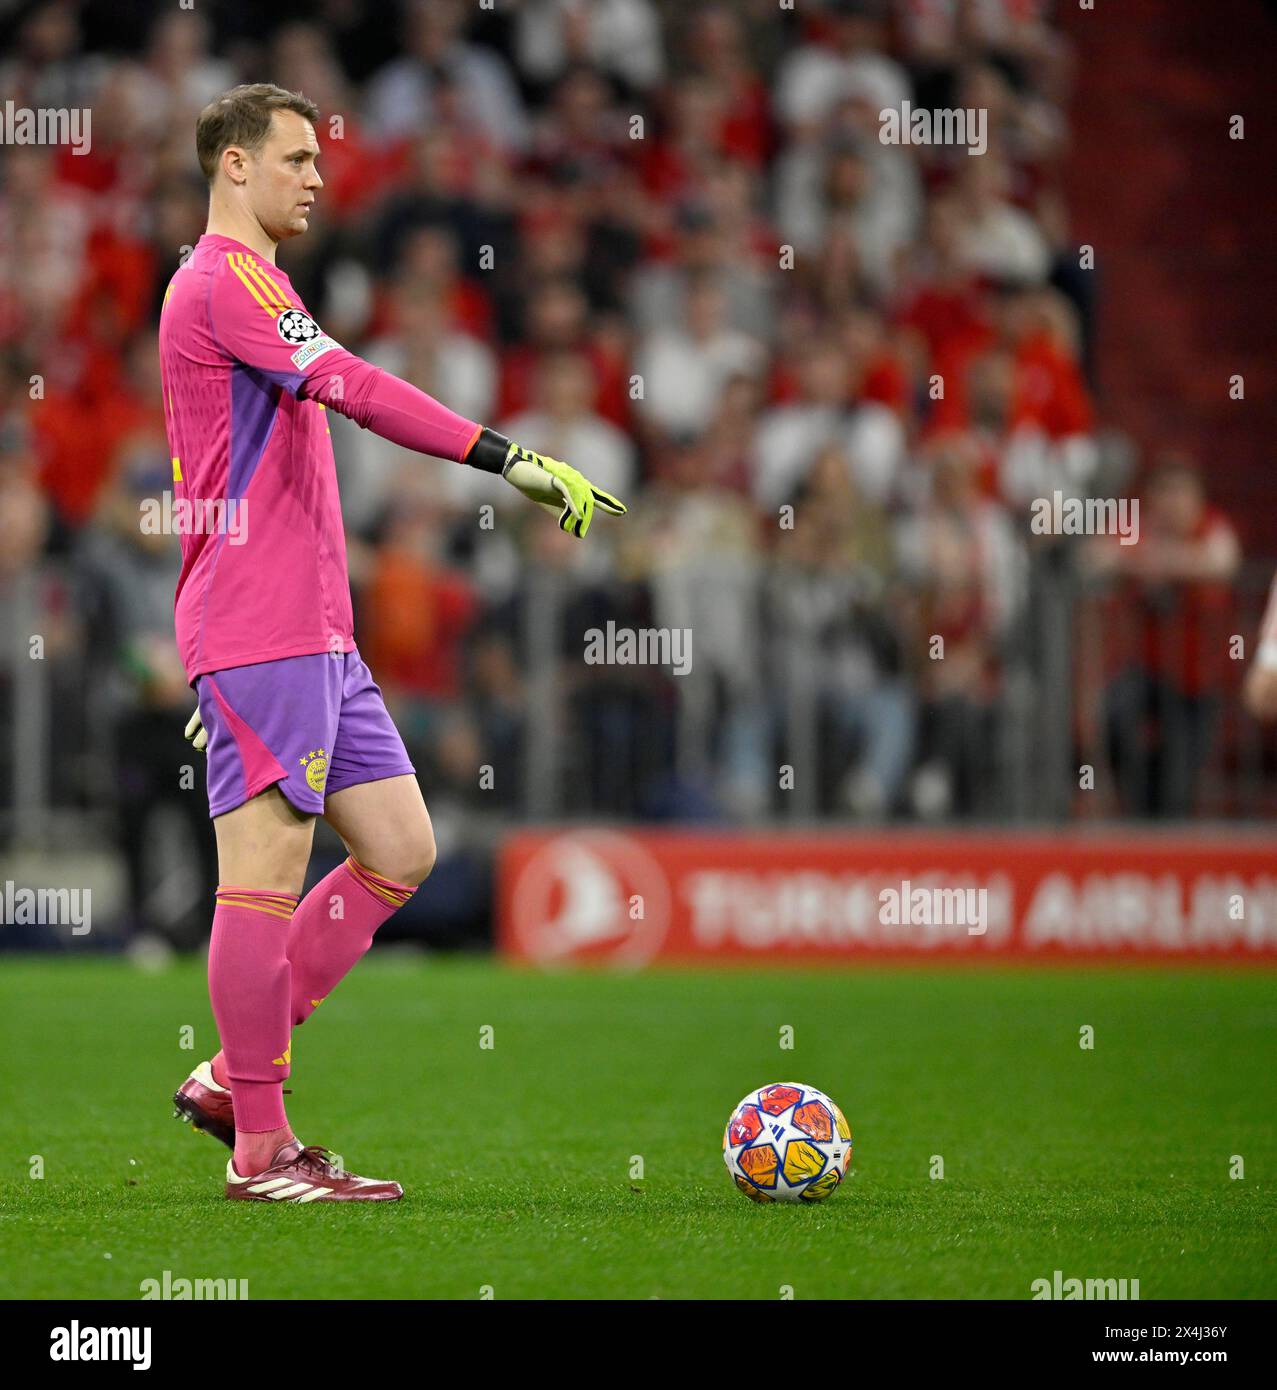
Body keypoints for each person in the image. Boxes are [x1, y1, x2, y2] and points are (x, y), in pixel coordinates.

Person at [163, 84, 624, 1203]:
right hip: (263, 628)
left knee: (401, 848)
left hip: (315, 631)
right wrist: (504, 455)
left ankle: (235, 1072)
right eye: (295, 158)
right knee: (263, 876)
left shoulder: (261, 282)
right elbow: (354, 387)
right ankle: (261, 1147)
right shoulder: (220, 280)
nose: (317, 177)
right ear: (232, 166)